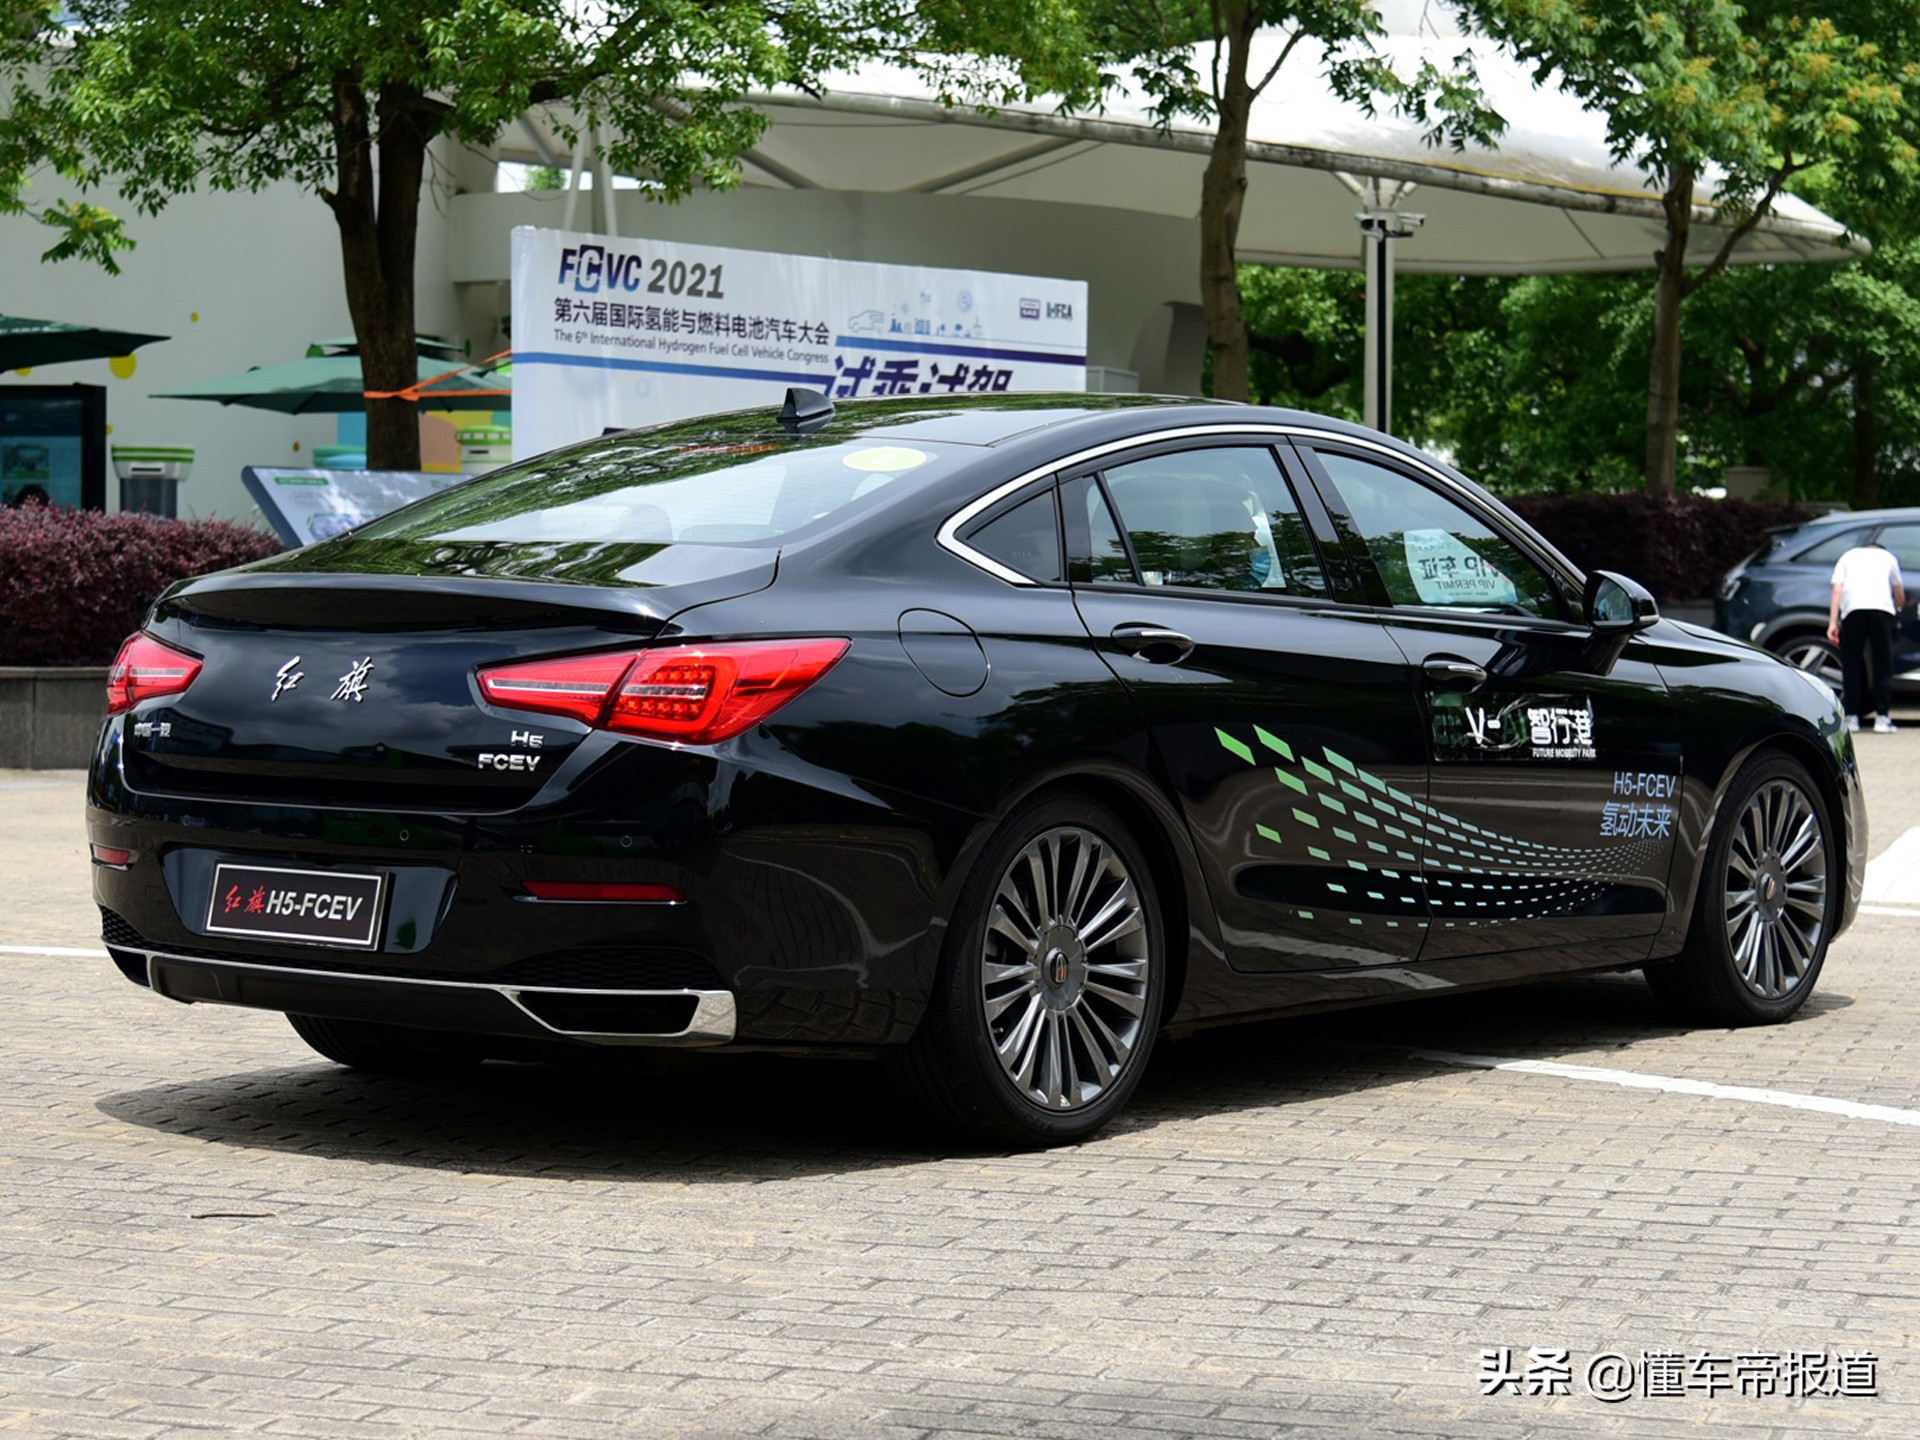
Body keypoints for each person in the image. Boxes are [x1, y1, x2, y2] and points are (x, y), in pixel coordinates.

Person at [1826, 539, 1906, 733]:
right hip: (1882, 612)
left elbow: (1837, 589)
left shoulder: (1848, 556)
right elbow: (1898, 591)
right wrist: (1898, 608)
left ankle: (1852, 717)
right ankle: (1882, 718)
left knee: (1852, 664)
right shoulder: (1888, 557)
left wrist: (1833, 622)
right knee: (1882, 665)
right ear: (1879, 549)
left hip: (1853, 612)